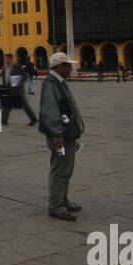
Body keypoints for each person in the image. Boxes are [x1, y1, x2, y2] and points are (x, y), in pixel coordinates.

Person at [38, 52, 86, 222]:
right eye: (67, 65)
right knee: (60, 169)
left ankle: (62, 199)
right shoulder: (51, 83)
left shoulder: (58, 82)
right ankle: (56, 205)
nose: (70, 68)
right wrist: (57, 133)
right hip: (60, 136)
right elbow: (50, 111)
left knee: (65, 168)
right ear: (58, 66)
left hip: (66, 134)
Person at [1, 61, 37, 127]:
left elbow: (18, 80)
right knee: (8, 106)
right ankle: (3, 120)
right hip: (16, 91)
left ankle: (3, 120)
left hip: (16, 92)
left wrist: (17, 84)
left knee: (8, 106)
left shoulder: (15, 70)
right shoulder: (15, 70)